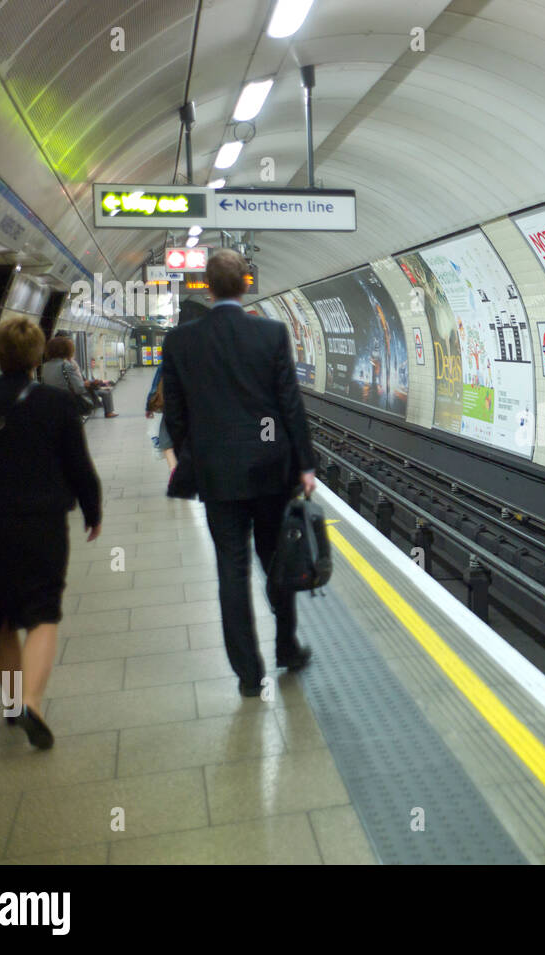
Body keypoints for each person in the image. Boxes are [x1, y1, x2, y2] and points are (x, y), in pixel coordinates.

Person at [0, 318, 102, 749]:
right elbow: (79, 465)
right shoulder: (59, 406)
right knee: (43, 614)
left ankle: (12, 703)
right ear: (37, 356)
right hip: (41, 525)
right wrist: (92, 509)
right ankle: (32, 701)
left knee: (0, 620)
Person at [161, 250, 318, 696]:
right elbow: (289, 403)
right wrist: (305, 464)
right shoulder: (271, 333)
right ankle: (286, 646)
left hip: (218, 476)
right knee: (277, 561)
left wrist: (198, 453)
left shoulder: (181, 342)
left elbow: (176, 414)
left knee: (231, 570)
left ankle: (249, 675)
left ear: (207, 288)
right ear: (246, 284)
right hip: (271, 469)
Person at [41, 336, 118, 418]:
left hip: (53, 404)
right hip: (68, 404)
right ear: (67, 350)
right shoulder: (67, 365)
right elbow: (79, 389)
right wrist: (87, 384)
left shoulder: (45, 366)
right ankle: (105, 410)